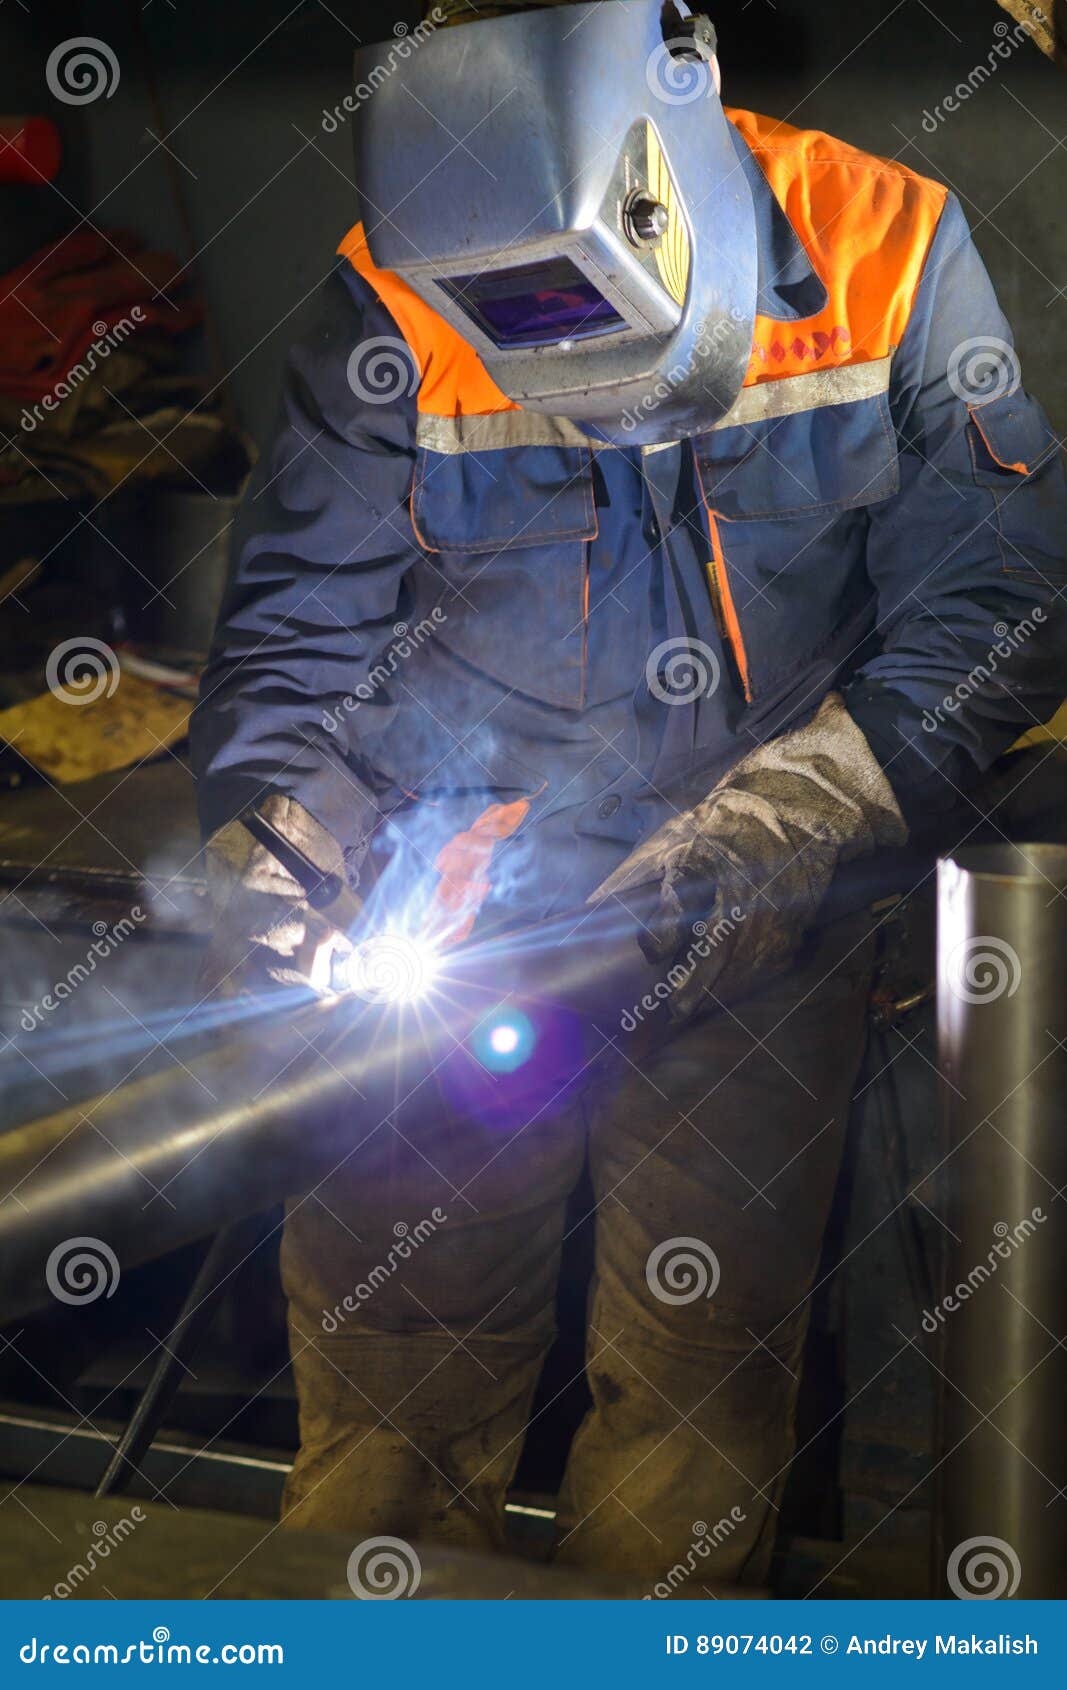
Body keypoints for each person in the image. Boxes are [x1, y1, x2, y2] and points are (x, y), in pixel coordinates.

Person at [191, 0, 1067, 1586]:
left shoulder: (883, 245)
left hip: (756, 905)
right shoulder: (390, 280)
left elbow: (1000, 585)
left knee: (696, 1380)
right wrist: (286, 833)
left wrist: (797, 817)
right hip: (463, 901)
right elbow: (303, 617)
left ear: (681, 120)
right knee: (399, 1372)